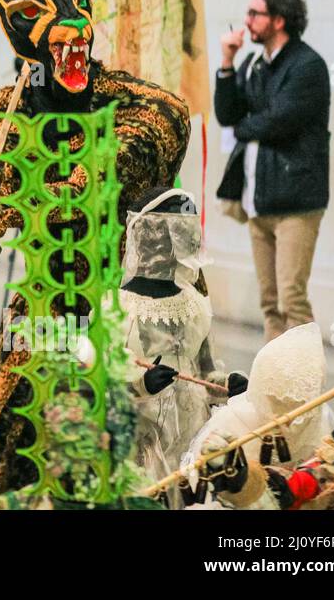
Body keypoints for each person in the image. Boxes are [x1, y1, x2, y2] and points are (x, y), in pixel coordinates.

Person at [0, 0, 190, 505]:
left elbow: (153, 134)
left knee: (140, 440)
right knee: (5, 423)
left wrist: (57, 186)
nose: (69, 40)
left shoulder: (135, 102)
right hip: (48, 302)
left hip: (137, 300)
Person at [215, 0, 330, 341]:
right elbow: (227, 113)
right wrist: (227, 63)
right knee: (269, 304)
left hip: (296, 204)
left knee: (291, 302)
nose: (246, 20)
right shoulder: (253, 64)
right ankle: (274, 388)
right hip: (260, 200)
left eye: (254, 13)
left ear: (278, 20)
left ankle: (305, 391)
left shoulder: (307, 66)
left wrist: (244, 127)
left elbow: (278, 122)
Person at [118, 187, 243, 495]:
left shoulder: (195, 304)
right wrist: (142, 384)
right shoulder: (117, 309)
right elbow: (97, 384)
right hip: (140, 444)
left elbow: (205, 372)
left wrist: (227, 385)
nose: (191, 238)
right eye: (180, 228)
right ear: (151, 235)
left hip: (191, 437)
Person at [182, 322, 334, 507]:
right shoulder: (231, 423)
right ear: (260, 390)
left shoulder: (323, 422)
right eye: (275, 401)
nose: (284, 416)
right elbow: (204, 497)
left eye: (298, 404)